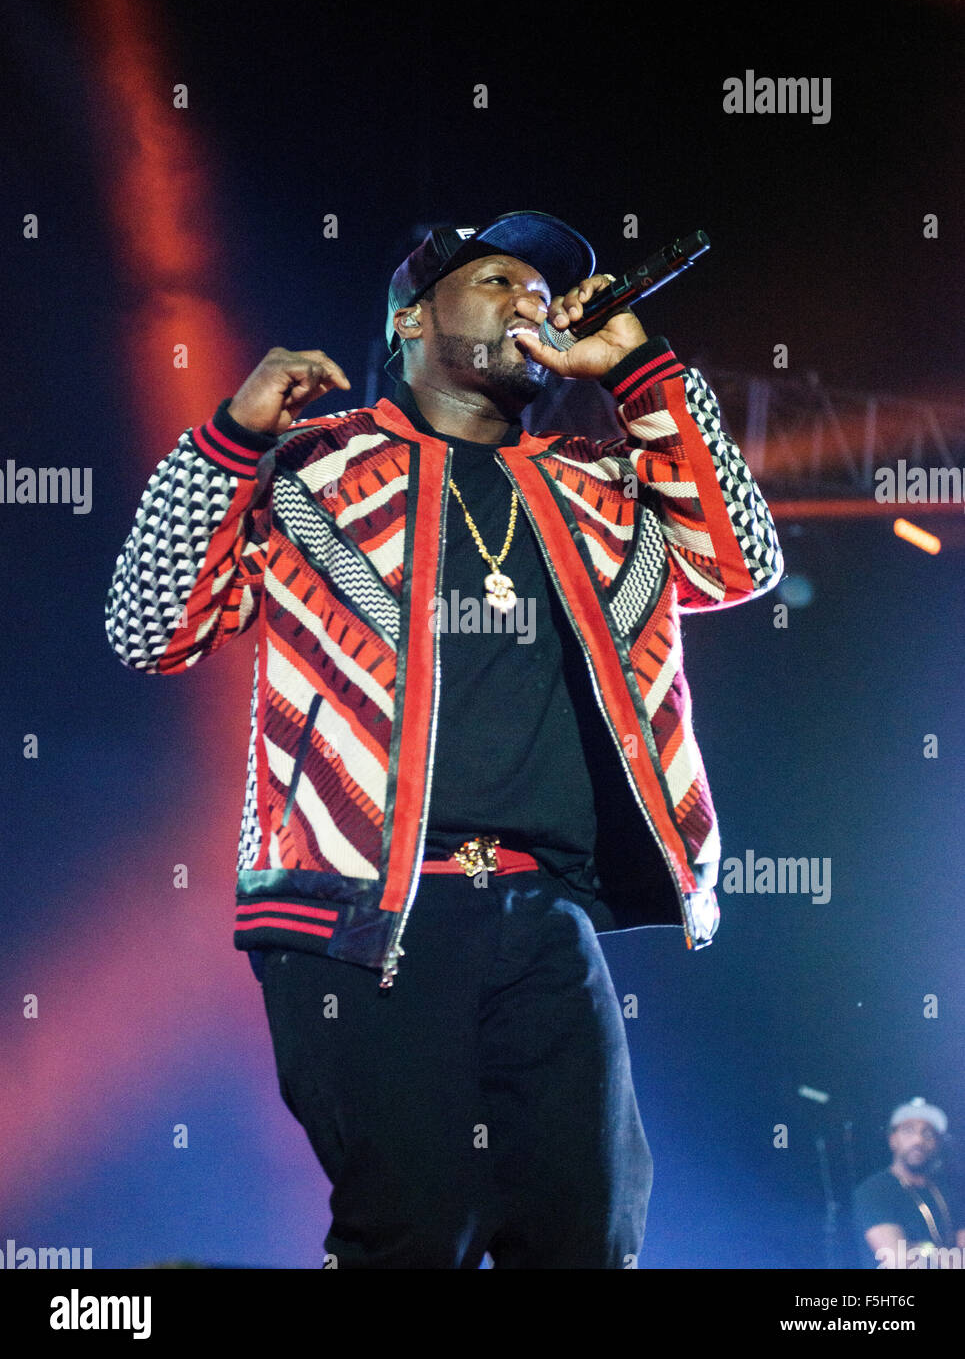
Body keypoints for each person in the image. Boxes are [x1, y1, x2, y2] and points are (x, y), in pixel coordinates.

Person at [105, 210, 784, 1268]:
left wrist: (642, 371)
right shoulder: (310, 469)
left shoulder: (597, 484)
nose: (533, 302)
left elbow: (739, 564)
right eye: (499, 280)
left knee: (587, 1235)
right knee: (417, 1227)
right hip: (366, 915)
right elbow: (149, 627)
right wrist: (231, 439)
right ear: (413, 318)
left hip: (545, 911)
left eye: (544, 289)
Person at [852, 1097, 965, 1268]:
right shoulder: (875, 1190)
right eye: (908, 1131)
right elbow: (897, 1259)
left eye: (928, 1133)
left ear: (937, 1143)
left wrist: (920, 1248)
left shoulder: (948, 1192)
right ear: (893, 1139)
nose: (918, 1140)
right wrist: (933, 1251)